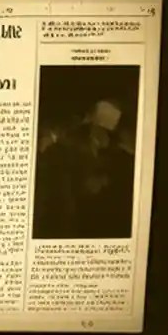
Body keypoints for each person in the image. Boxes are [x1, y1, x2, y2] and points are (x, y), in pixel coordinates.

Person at [33, 97, 136, 239]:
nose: (104, 138)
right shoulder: (75, 144)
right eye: (102, 130)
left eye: (110, 134)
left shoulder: (118, 154)